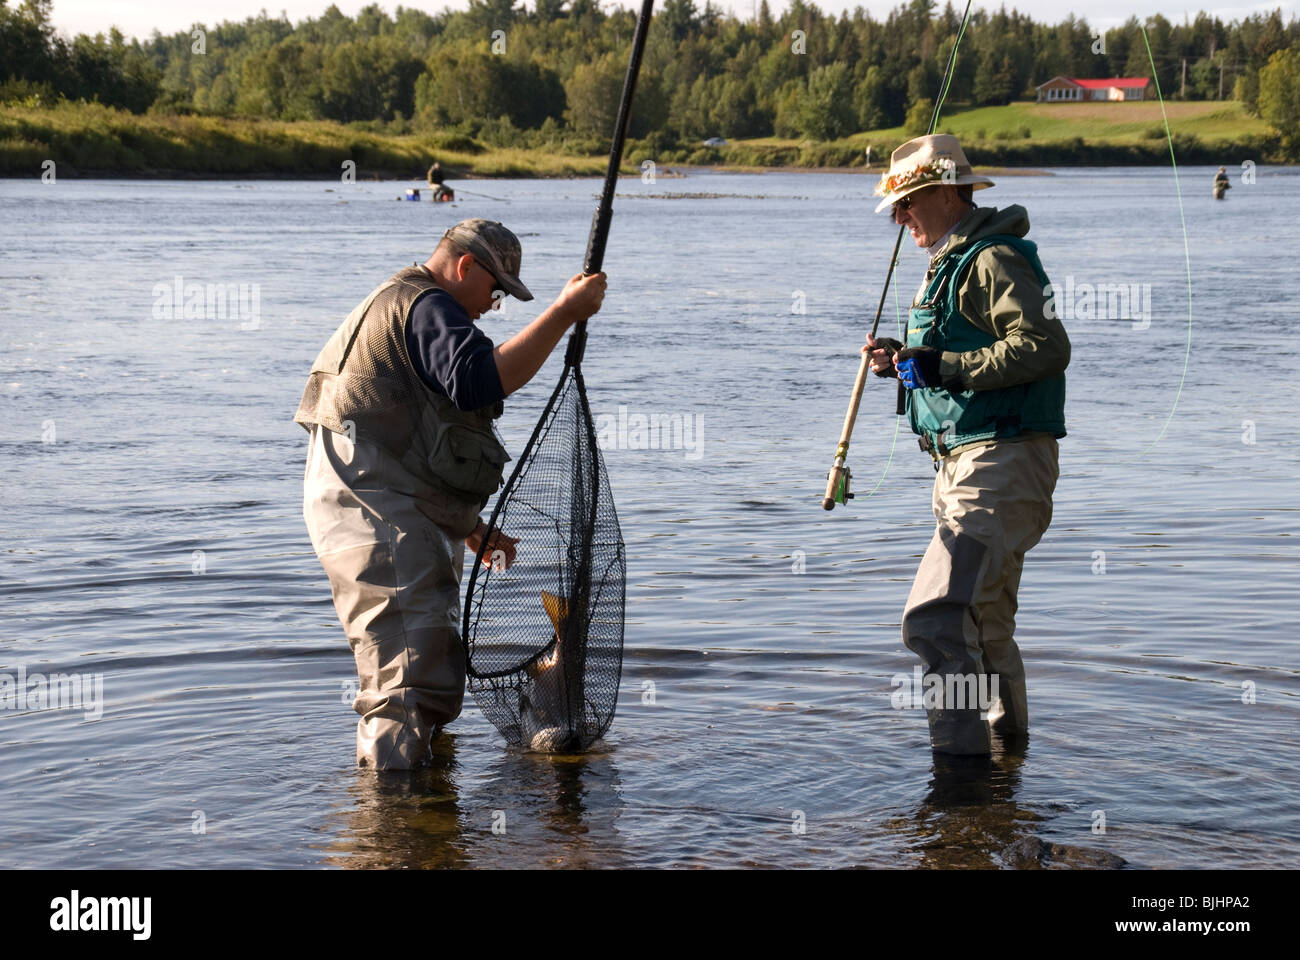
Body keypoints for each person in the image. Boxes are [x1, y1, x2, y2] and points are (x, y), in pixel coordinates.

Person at [295, 218, 607, 770]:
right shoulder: (425, 304)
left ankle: (429, 811)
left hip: (376, 506)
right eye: (495, 291)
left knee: (428, 663)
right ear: (465, 267)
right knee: (406, 682)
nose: (493, 305)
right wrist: (563, 313)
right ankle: (392, 830)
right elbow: (479, 380)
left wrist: (467, 525)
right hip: (371, 515)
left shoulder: (406, 307)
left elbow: (402, 444)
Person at [863, 135, 1070, 756]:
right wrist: (905, 363)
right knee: (984, 624)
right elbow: (952, 360)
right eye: (896, 206)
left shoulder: (994, 256)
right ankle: (1006, 770)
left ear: (948, 192)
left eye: (908, 202)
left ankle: (957, 783)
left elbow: (1044, 347)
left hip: (1001, 459)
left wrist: (946, 365)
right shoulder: (955, 260)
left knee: (935, 616)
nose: (899, 217)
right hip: (970, 461)